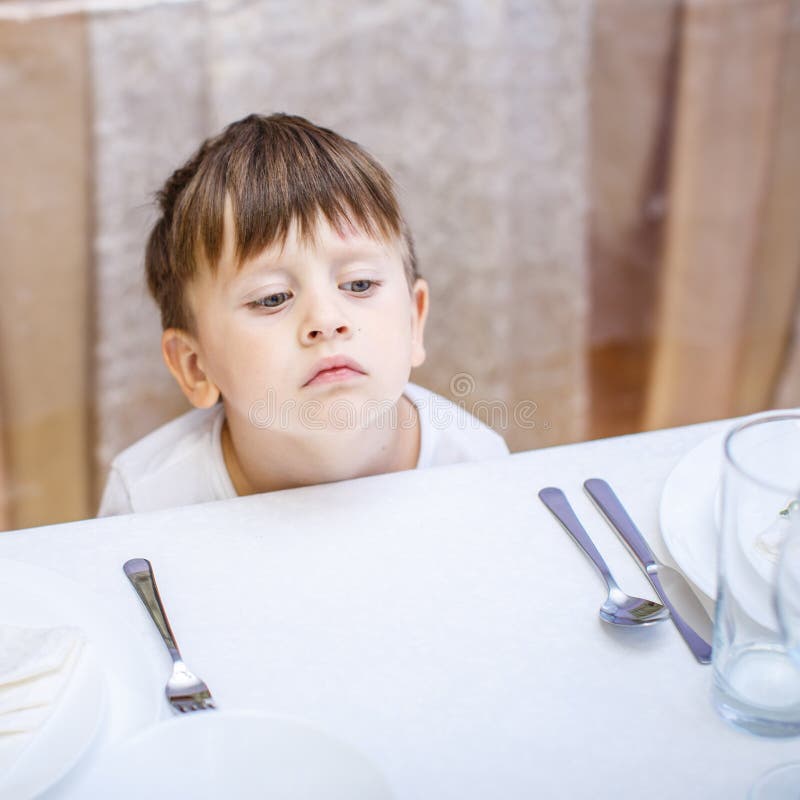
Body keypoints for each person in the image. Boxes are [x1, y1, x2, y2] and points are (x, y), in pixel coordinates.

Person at [98, 113, 509, 516]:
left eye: (359, 284)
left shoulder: (475, 468)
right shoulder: (148, 502)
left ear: (415, 322)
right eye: (273, 298)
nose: (327, 320)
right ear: (194, 366)